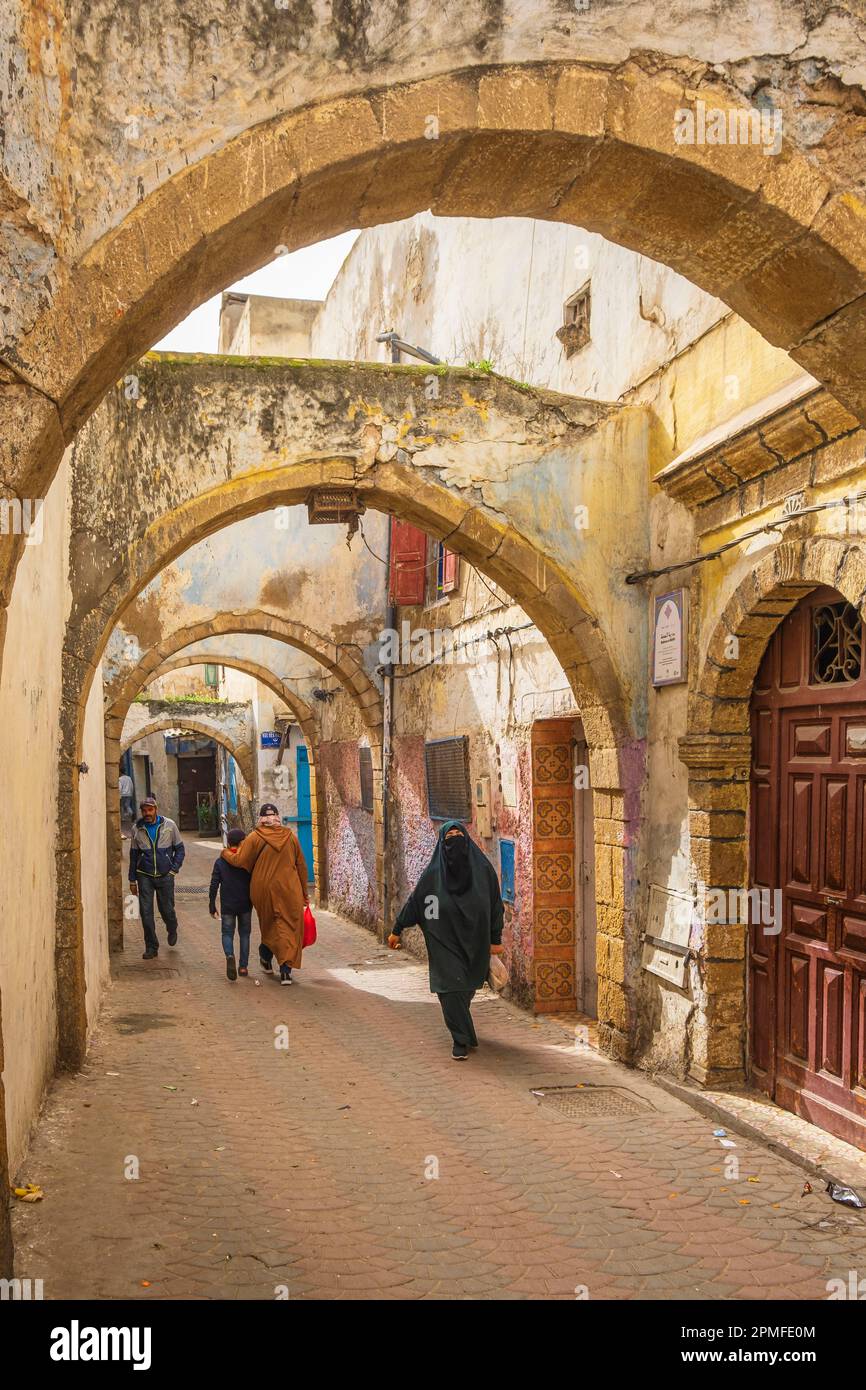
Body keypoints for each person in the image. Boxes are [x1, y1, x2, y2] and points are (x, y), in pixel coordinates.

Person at [388, 820, 504, 1060]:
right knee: (450, 990)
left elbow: (495, 907)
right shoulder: (433, 877)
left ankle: (464, 1030)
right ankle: (460, 1041)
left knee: (464, 990)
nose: (454, 840)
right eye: (448, 836)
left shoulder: (483, 872)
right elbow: (415, 903)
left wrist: (495, 939)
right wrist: (397, 929)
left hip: (474, 943)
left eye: (457, 835)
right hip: (444, 944)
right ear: (442, 843)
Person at [222, 803, 309, 985]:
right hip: (290, 889)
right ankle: (286, 970)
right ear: (277, 817)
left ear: (261, 819)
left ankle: (265, 957)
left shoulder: (254, 838)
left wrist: (224, 853)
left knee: (271, 925)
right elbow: (301, 866)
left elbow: (239, 860)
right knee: (290, 928)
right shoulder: (291, 837)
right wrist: (304, 892)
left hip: (264, 890)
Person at [129, 796, 185, 960]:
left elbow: (180, 850)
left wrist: (173, 870)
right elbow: (133, 856)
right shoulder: (136, 829)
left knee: (166, 910)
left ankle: (172, 927)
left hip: (165, 875)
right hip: (144, 875)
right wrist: (132, 880)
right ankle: (151, 947)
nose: (147, 813)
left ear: (156, 809)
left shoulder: (170, 825)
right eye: (144, 810)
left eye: (150, 809)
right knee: (146, 913)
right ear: (141, 812)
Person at [210, 828, 253, 981]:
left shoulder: (220, 862)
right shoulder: (247, 861)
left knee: (227, 933)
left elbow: (214, 884)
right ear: (243, 843)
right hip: (245, 904)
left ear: (228, 842)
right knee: (245, 934)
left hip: (228, 905)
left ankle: (229, 955)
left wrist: (212, 904)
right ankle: (243, 967)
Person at [118, 770, 135, 837]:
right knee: (127, 806)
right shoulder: (129, 778)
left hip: (123, 794)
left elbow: (119, 788)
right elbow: (132, 785)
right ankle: (131, 814)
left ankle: (122, 818)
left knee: (122, 806)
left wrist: (119, 795)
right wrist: (131, 792)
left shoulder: (120, 779)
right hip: (129, 794)